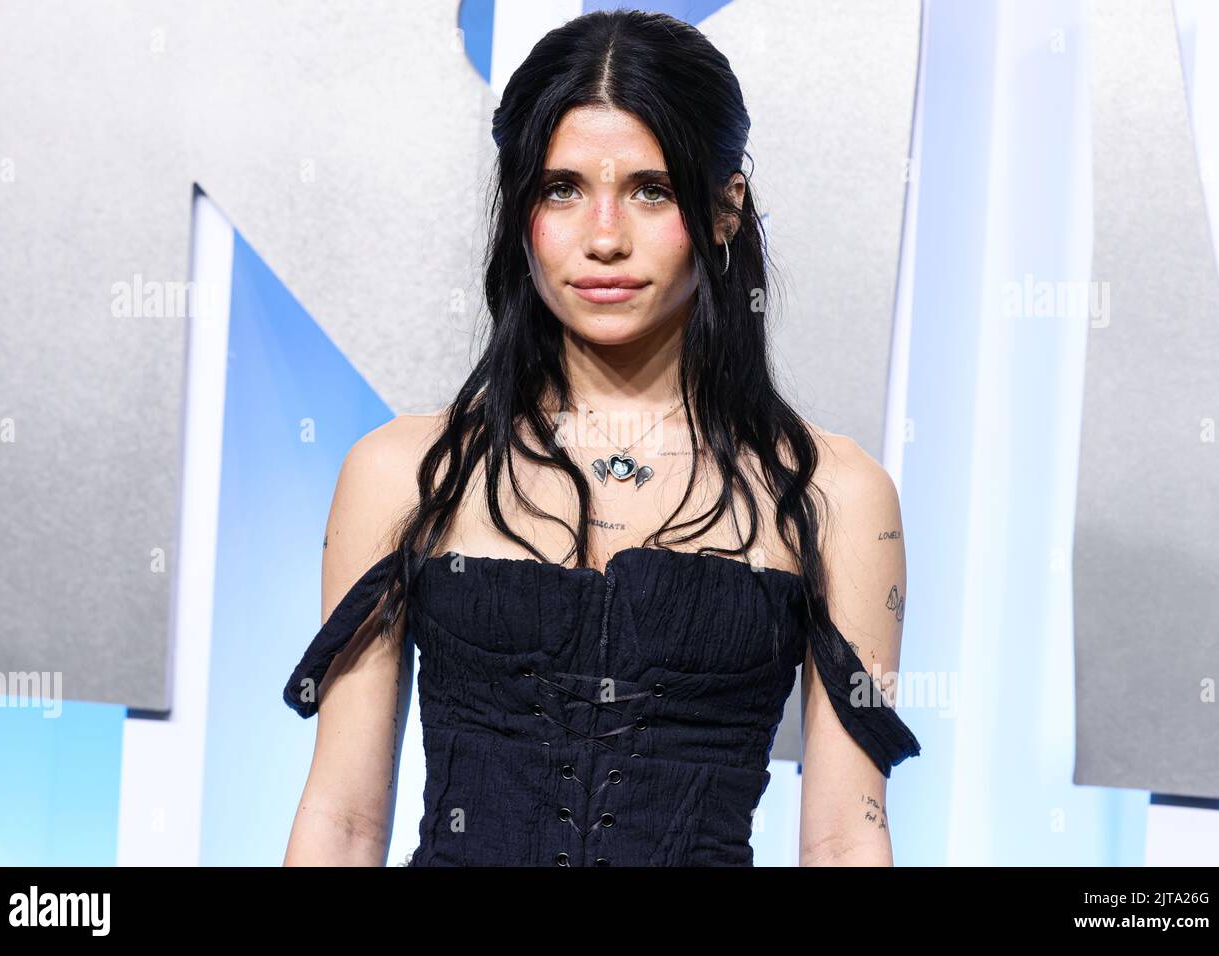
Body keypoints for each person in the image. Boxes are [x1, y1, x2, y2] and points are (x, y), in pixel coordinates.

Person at [282, 8, 919, 867]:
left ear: (726, 208)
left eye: (651, 190)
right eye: (563, 189)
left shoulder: (832, 494)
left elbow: (847, 840)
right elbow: (343, 821)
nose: (606, 238)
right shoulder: (405, 473)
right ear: (520, 210)